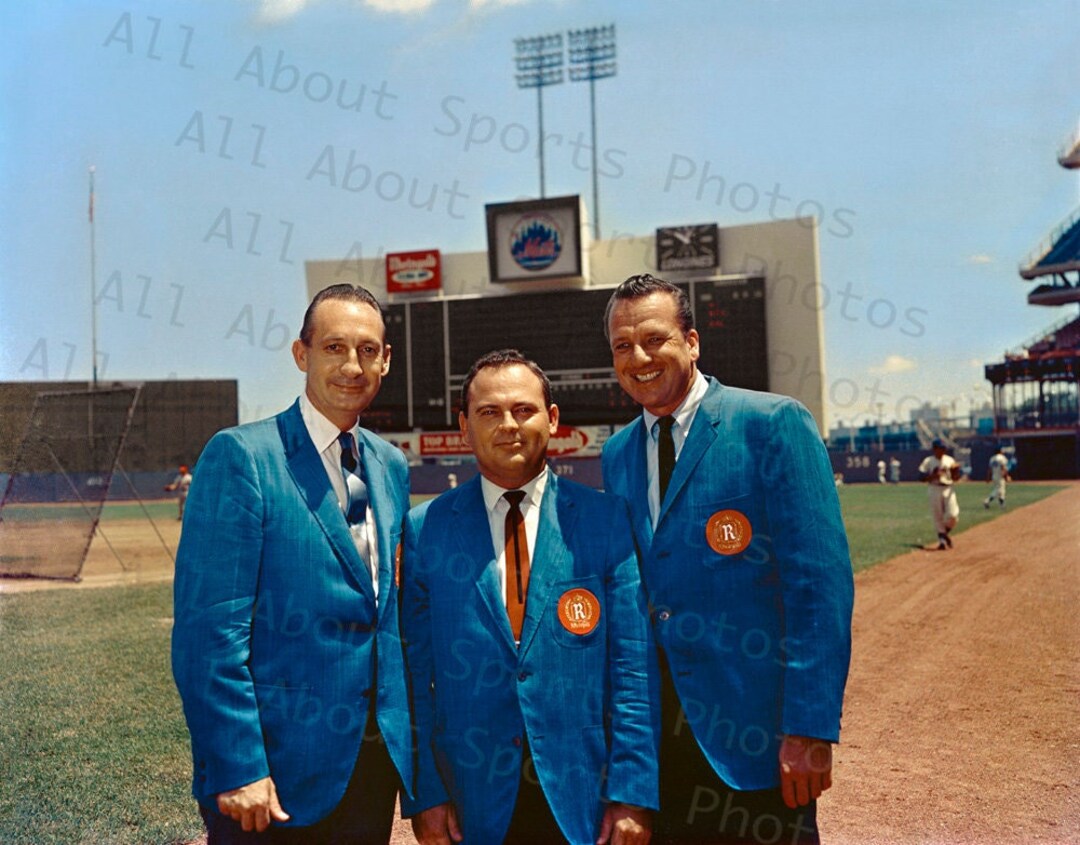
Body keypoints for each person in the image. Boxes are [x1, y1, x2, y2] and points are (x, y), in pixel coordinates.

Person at [600, 274, 854, 845]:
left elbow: (820, 586)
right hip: (658, 749)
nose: (638, 357)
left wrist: (809, 727)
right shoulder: (616, 455)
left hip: (757, 742)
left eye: (654, 339)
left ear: (692, 342)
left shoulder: (771, 424)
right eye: (622, 346)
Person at [171, 284, 413, 843]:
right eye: (334, 348)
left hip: (367, 771)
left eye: (368, 350)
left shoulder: (390, 465)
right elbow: (208, 632)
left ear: (385, 360)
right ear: (302, 355)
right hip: (271, 780)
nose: (352, 365)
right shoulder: (243, 457)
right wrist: (239, 765)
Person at [402, 349, 659, 845]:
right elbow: (413, 678)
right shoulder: (425, 529)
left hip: (586, 795)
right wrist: (426, 795)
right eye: (489, 412)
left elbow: (633, 668)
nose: (508, 425)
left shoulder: (605, 520)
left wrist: (632, 793)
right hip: (471, 798)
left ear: (553, 419)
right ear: (464, 426)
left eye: (524, 410)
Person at [918, 439, 961, 550]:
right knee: (938, 516)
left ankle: (943, 534)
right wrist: (933, 476)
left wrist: (956, 471)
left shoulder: (949, 460)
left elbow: (956, 478)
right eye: (940, 448)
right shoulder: (928, 461)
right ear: (934, 449)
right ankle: (942, 541)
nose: (943, 450)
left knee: (953, 515)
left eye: (944, 448)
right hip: (934, 488)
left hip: (948, 488)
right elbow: (921, 478)